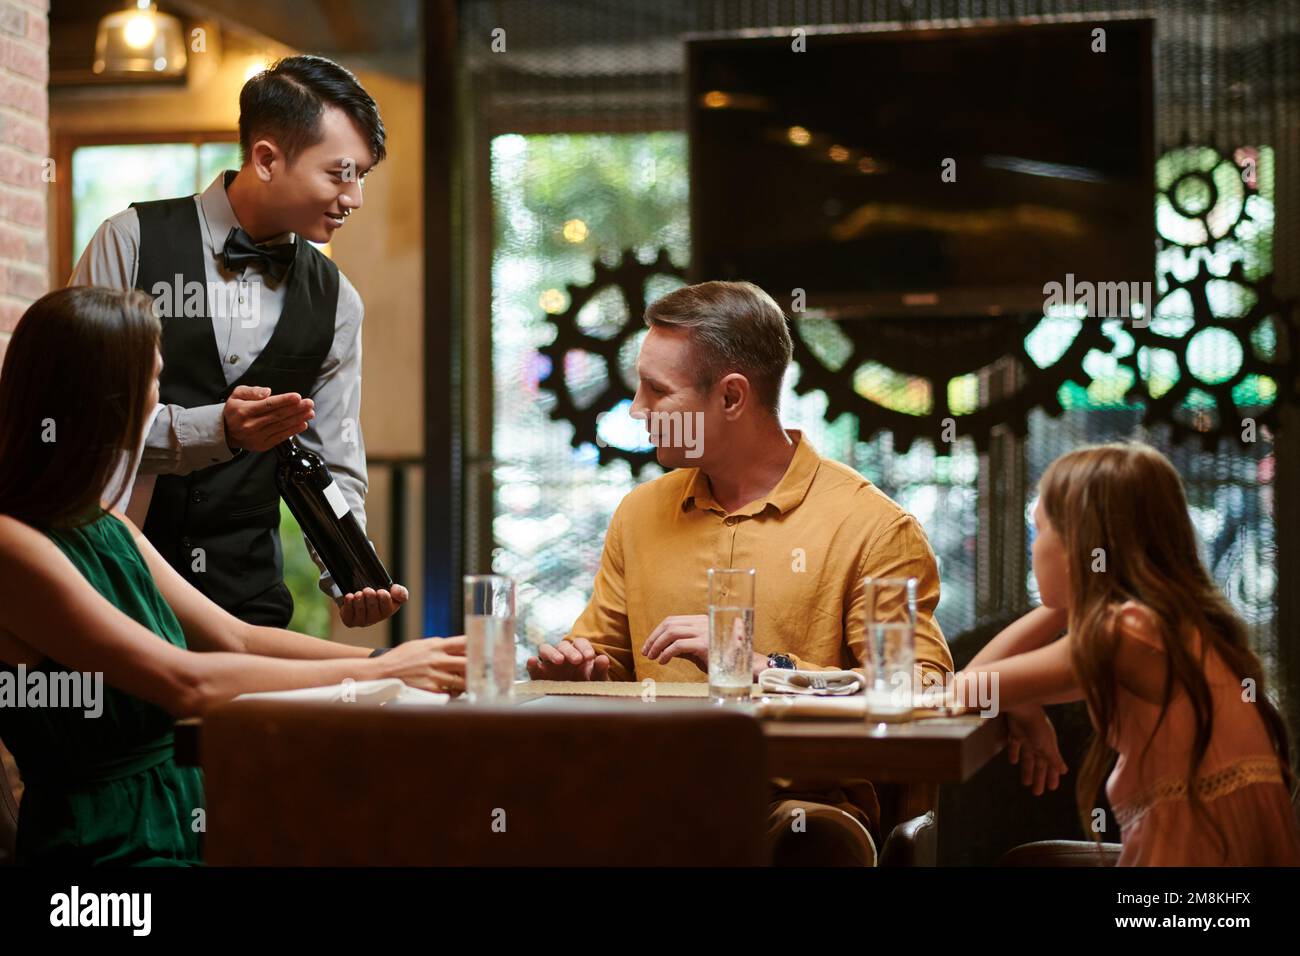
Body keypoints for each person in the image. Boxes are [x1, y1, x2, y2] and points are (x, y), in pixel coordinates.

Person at [0, 288, 465, 865]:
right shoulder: (12, 544)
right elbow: (184, 682)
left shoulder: (106, 524)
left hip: (184, 815)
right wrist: (385, 673)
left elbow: (235, 638)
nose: (159, 400)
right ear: (108, 396)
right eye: (154, 380)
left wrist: (399, 660)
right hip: (103, 846)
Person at [526, 280, 954, 865]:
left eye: (657, 391)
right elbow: (608, 661)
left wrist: (765, 667)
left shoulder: (874, 528)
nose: (637, 410)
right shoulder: (638, 513)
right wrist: (580, 670)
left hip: (793, 815)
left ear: (731, 397)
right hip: (645, 797)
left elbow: (924, 691)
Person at [69, 55, 402, 629]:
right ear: (267, 159)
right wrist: (216, 429)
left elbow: (334, 461)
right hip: (114, 585)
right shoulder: (129, 242)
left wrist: (352, 572)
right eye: (339, 174)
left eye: (362, 177)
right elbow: (80, 421)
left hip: (250, 604)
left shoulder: (338, 301)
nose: (354, 198)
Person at [952, 443, 1300, 865]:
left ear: (1077, 543)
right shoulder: (1167, 624)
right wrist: (1022, 700)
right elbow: (982, 685)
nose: (1034, 546)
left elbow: (966, 688)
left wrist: (1021, 685)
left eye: (1040, 530)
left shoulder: (1129, 632)